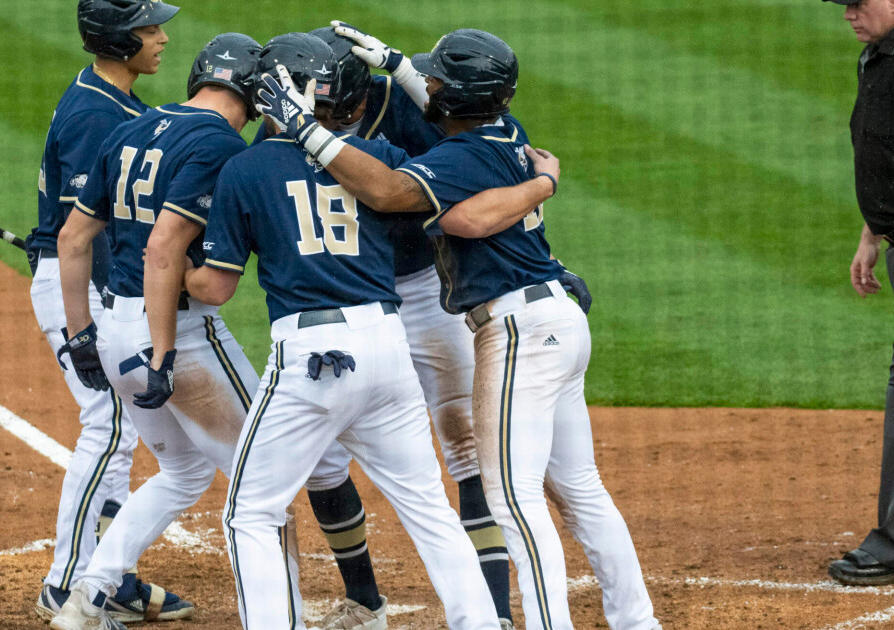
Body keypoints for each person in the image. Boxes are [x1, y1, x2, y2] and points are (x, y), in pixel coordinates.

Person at [256, 28, 660, 630]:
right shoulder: (508, 133)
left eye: (435, 77)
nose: (427, 84)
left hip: (518, 332)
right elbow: (457, 148)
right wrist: (397, 64)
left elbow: (401, 195)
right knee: (580, 489)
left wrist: (303, 127)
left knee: (516, 502)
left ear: (457, 95)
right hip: (556, 317)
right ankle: (636, 622)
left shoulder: (456, 159)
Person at [186, 32, 500, 630]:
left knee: (250, 512)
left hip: (311, 358)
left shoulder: (244, 169)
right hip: (388, 348)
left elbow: (215, 288)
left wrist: (166, 262)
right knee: (430, 508)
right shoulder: (380, 160)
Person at [51, 33, 363, 630]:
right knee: (265, 490)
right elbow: (164, 252)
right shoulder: (221, 147)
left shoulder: (130, 129)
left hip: (113, 330)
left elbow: (72, 239)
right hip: (177, 338)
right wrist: (165, 353)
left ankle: (88, 597)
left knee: (184, 473)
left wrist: (81, 334)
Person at [26, 0, 186, 622]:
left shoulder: (109, 100)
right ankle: (66, 582)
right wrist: (82, 327)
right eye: (149, 29)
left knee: (125, 430)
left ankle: (109, 574)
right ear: (120, 39)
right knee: (110, 426)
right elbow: (77, 234)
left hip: (95, 284)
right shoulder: (97, 114)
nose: (163, 38)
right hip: (81, 287)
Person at [827, 0, 894, 587]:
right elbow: (885, 154)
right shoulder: (877, 55)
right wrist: (871, 234)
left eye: (860, 2)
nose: (850, 12)